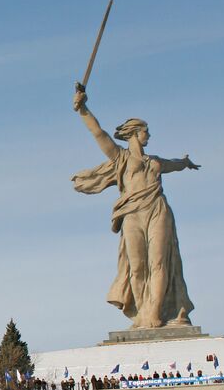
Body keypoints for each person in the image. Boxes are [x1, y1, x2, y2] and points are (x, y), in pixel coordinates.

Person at [72, 88, 199, 329]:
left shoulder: (155, 162)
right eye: (145, 131)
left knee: (159, 262)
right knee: (137, 266)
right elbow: (99, 133)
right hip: (132, 213)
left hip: (157, 210)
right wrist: (82, 109)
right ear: (135, 133)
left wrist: (186, 162)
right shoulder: (121, 158)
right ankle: (142, 312)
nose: (149, 135)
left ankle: (154, 313)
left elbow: (175, 164)